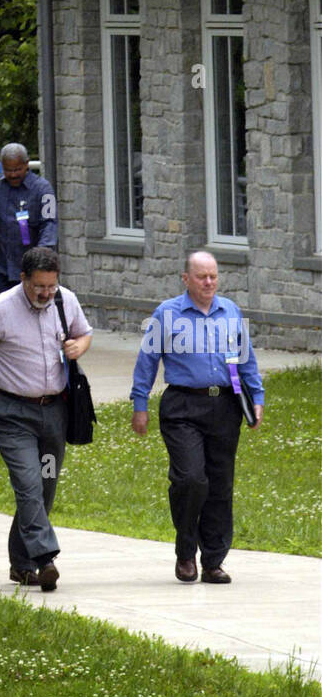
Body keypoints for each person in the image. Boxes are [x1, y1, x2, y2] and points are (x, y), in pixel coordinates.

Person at [0, 247, 93, 590]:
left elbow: (84, 333)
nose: (45, 294)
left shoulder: (65, 301)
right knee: (28, 483)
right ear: (23, 278)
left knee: (44, 485)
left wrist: (79, 347)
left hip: (54, 412)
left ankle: (21, 563)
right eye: (39, 286)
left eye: (51, 287)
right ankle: (45, 558)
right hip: (13, 415)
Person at [130, 251, 264, 585]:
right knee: (191, 479)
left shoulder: (230, 311)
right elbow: (147, 360)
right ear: (186, 279)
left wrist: (256, 397)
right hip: (182, 407)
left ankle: (214, 561)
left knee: (220, 484)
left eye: (213, 276)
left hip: (225, 407)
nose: (208, 282)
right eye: (202, 276)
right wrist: (140, 404)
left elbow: (246, 359)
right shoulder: (167, 313)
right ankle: (186, 551)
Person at [0, 143, 57, 295]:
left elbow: (49, 225)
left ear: (26, 164)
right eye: (8, 170)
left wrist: (40, 260)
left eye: (17, 169)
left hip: (30, 269)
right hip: (0, 268)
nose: (13, 174)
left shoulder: (43, 189)